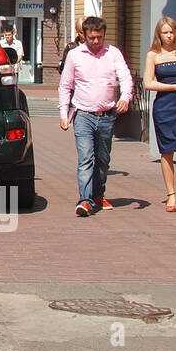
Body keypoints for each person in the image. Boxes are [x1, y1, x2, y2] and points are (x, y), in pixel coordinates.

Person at [58, 16, 133, 217]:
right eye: (92, 38)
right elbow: (65, 85)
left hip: (107, 114)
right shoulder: (75, 55)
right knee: (86, 158)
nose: (96, 42)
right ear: (84, 35)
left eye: (99, 37)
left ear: (104, 35)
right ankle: (85, 200)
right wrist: (63, 114)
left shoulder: (113, 53)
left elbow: (125, 77)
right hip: (83, 114)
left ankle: (98, 194)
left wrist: (125, 97)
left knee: (103, 159)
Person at [143, 17, 176, 213]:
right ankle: (171, 194)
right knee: (166, 151)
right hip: (164, 106)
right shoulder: (153, 55)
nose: (169, 36)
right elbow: (148, 83)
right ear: (159, 34)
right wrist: (174, 86)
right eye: (165, 32)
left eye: (172, 32)